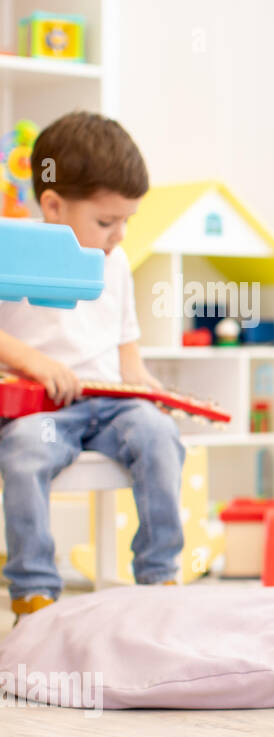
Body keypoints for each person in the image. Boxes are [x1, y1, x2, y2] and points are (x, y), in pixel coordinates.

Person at [0, 111, 184, 619]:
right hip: (41, 410)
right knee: (22, 455)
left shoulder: (115, 260)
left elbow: (127, 346)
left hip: (108, 402)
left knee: (158, 436)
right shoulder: (15, 253)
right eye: (107, 222)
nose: (119, 235)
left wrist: (148, 389)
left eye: (127, 220)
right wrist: (34, 363)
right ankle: (33, 590)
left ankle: (160, 576)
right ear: (54, 206)